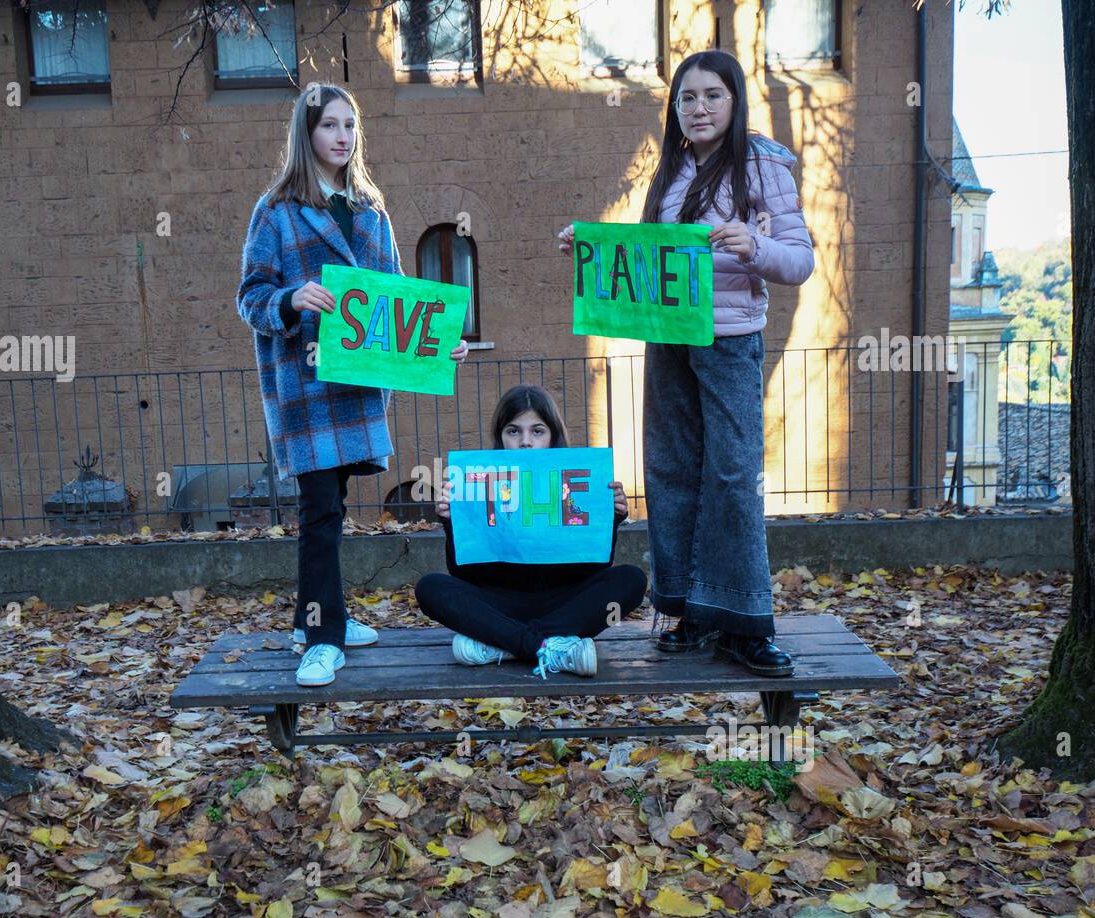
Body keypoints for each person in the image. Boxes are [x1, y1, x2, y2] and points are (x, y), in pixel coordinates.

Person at [557, 50, 814, 677]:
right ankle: (690, 612)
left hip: (729, 341)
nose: (697, 109)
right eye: (686, 98)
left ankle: (747, 625)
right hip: (668, 341)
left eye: (712, 96)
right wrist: (591, 248)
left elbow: (800, 261)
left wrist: (755, 245)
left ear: (735, 101)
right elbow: (653, 256)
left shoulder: (764, 165)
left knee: (731, 476)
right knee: (673, 470)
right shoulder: (668, 173)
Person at [238, 84, 468, 686]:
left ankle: (315, 615)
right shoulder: (277, 209)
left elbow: (397, 298)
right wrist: (291, 297)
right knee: (318, 510)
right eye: (329, 126)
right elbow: (250, 296)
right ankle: (321, 637)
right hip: (308, 385)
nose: (342, 137)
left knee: (334, 508)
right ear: (306, 134)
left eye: (350, 127)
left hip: (359, 381)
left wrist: (441, 341)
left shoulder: (370, 209)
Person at [415, 385, 647, 679]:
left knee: (632, 581)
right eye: (514, 431)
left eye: (537, 431)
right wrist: (452, 522)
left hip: (564, 604)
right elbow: (463, 576)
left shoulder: (576, 483)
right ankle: (552, 648)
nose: (525, 442)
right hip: (499, 604)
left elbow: (598, 568)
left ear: (553, 436)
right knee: (430, 588)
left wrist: (611, 519)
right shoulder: (479, 485)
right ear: (500, 437)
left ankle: (503, 646)